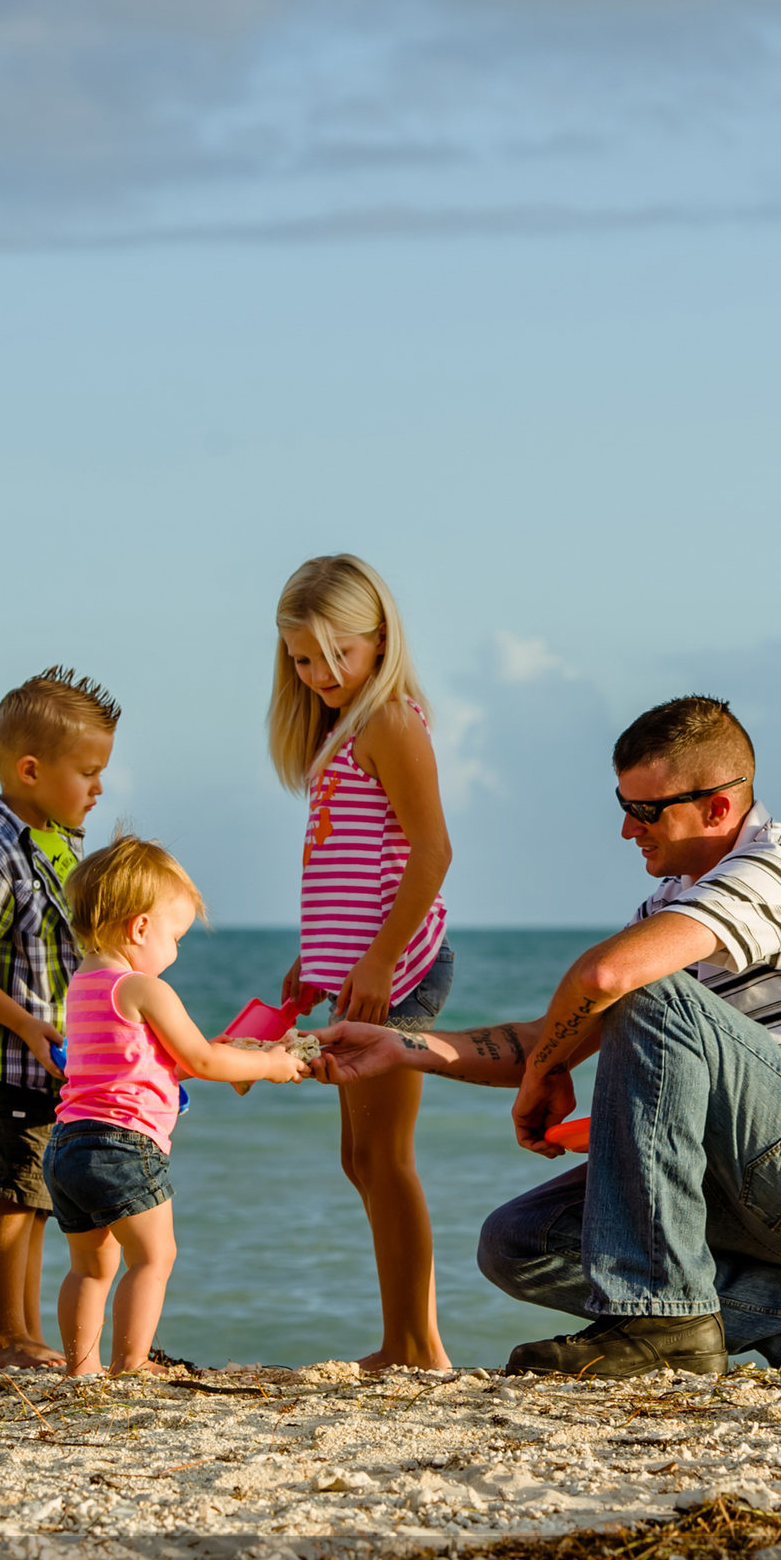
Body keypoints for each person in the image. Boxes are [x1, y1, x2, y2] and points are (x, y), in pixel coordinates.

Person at [313, 696, 781, 1377]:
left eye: (645, 809)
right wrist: (398, 1047)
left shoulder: (778, 865)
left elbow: (607, 977)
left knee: (647, 988)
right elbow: (553, 1031)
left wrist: (544, 1073)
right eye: (623, 804)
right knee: (517, 1242)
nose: (625, 828)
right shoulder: (676, 901)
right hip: (762, 1178)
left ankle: (664, 1322)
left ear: (718, 808)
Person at [267, 555, 457, 1371]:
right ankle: (406, 1339)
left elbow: (431, 851)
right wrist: (314, 961)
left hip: (399, 973)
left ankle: (417, 1346)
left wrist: (377, 961)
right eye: (303, 660)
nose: (321, 675)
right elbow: (348, 869)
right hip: (360, 973)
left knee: (386, 1158)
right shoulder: (339, 733)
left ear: (379, 639)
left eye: (336, 654)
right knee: (360, 1158)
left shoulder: (389, 723)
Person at [45, 836, 313, 1376]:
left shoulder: (83, 987)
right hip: (123, 1147)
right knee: (154, 1257)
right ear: (140, 928)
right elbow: (203, 1061)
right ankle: (131, 1363)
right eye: (176, 937)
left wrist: (221, 1050)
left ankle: (82, 1367)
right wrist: (268, 1063)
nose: (176, 950)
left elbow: (149, 1064)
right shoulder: (144, 988)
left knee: (90, 1269)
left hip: (68, 1146)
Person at [0, 666, 118, 1371]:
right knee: (13, 1194)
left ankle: (26, 1332)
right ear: (31, 771)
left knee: (39, 1195)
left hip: (56, 1063)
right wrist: (24, 1024)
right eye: (88, 773)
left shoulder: (61, 848)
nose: (97, 788)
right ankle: (3, 1336)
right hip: (12, 1059)